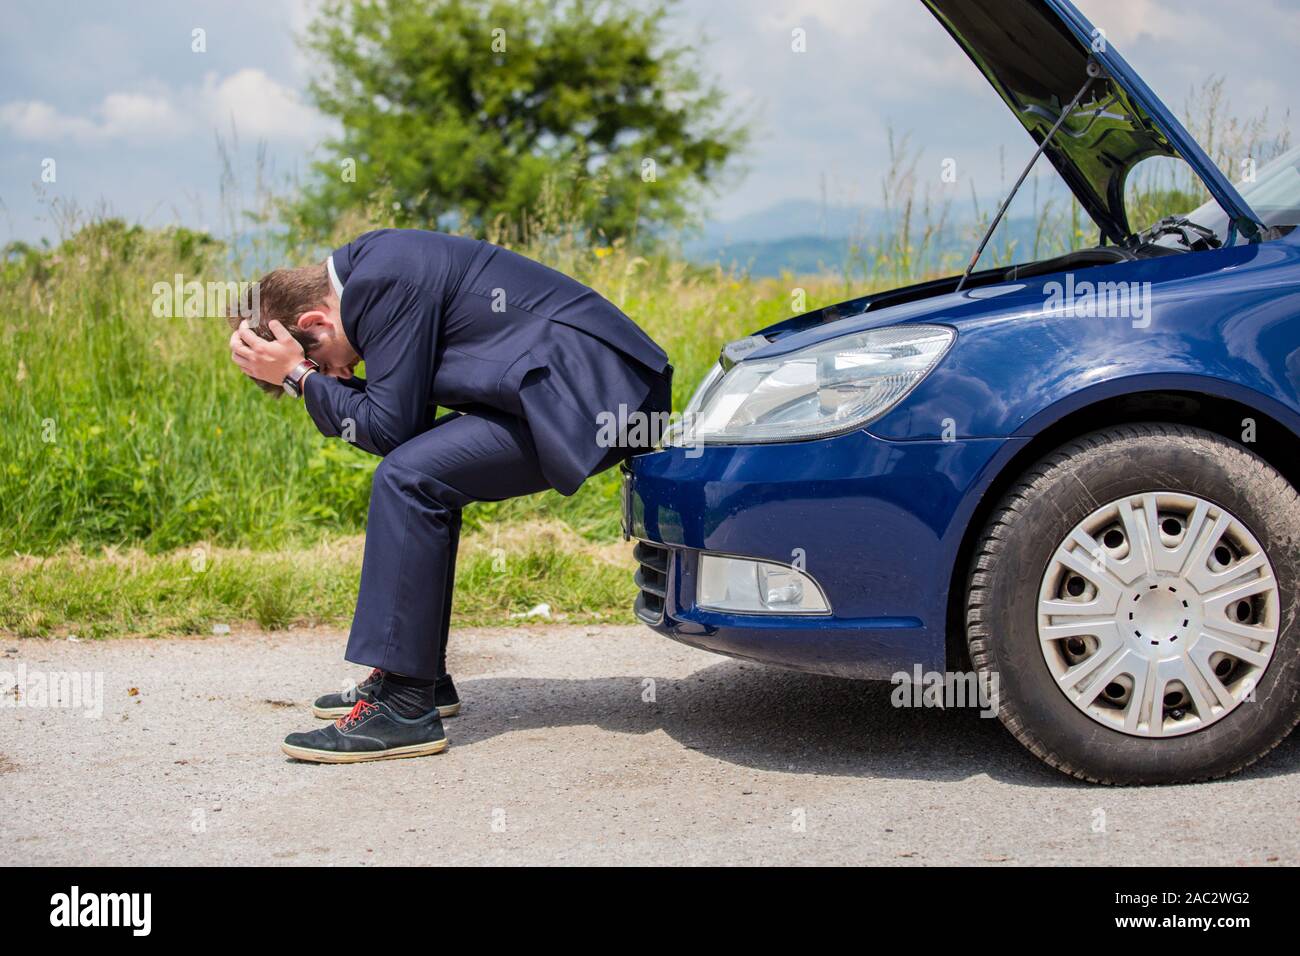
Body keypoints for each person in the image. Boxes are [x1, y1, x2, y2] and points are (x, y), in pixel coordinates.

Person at [227, 229, 671, 762]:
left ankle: (405, 705)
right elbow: (402, 419)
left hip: (596, 396)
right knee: (420, 474)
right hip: (569, 387)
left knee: (408, 478)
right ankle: (417, 677)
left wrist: (299, 378)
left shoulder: (381, 281)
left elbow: (390, 428)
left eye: (326, 364)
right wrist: (305, 371)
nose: (343, 376)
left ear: (313, 323)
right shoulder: (372, 268)